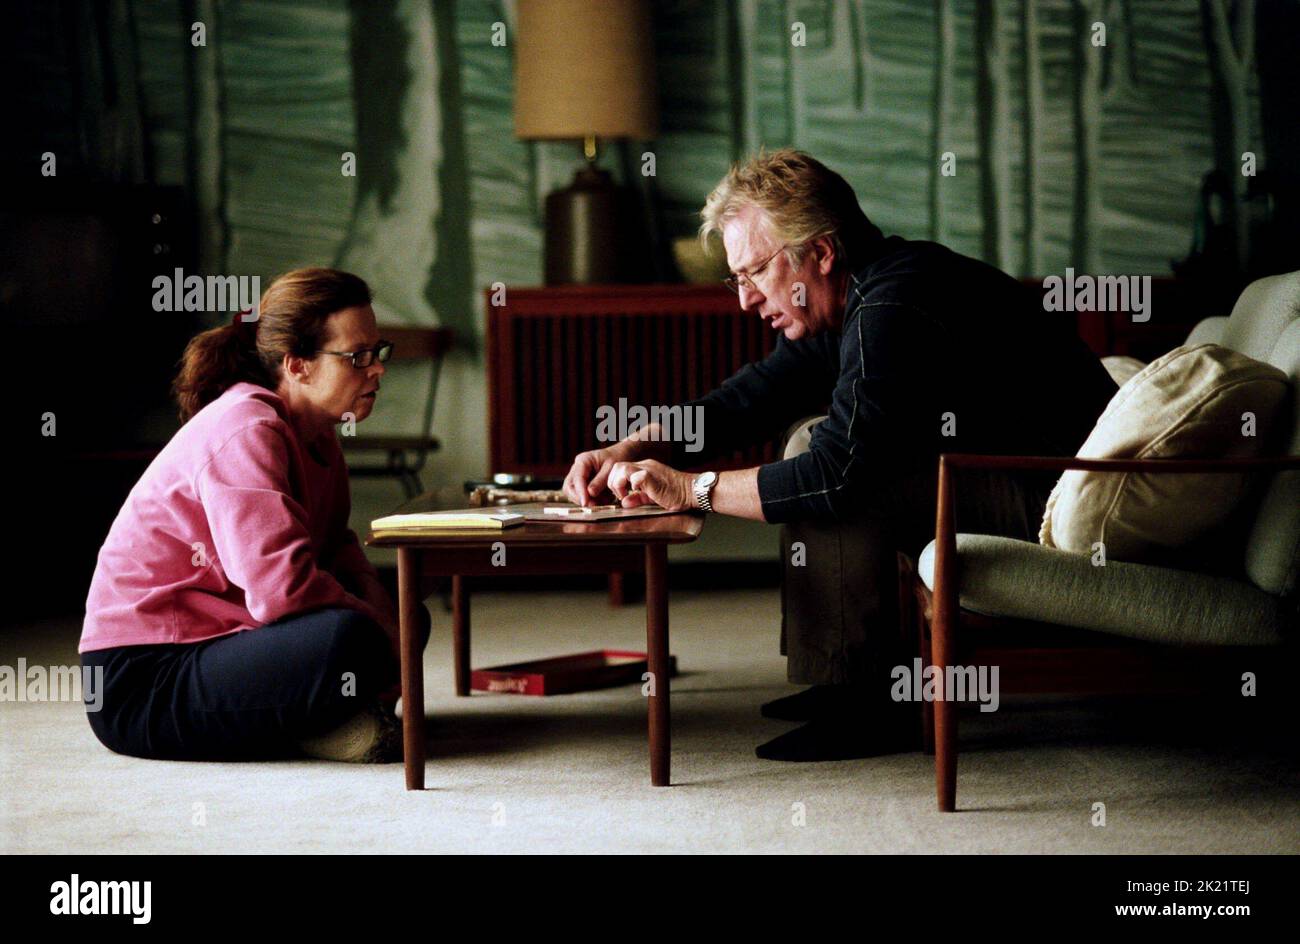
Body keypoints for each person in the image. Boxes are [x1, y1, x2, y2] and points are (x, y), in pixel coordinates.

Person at [563, 149, 1117, 761]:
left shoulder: (893, 304)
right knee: (814, 445)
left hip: (1053, 497)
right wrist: (633, 445)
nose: (744, 299)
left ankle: (866, 706)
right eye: (736, 278)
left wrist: (691, 490)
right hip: (1013, 478)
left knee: (840, 473)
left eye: (755, 273)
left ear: (821, 254)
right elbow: (749, 399)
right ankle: (840, 684)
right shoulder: (863, 293)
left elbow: (836, 475)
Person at [80, 267, 429, 764]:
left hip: (222, 643)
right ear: (297, 365)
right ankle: (317, 724)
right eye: (357, 357)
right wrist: (379, 631)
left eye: (378, 353)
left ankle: (312, 721)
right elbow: (282, 592)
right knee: (348, 638)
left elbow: (336, 549)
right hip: (141, 679)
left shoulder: (319, 435)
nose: (377, 369)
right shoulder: (247, 427)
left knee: (406, 616)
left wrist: (388, 618)